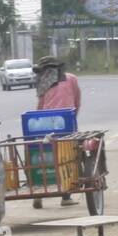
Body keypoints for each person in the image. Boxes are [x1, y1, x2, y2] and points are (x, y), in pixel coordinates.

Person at [32, 56, 82, 207]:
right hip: (66, 124)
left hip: (45, 126)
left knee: (44, 159)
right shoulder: (72, 79)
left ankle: (39, 193)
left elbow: (39, 108)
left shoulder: (43, 83)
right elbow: (77, 101)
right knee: (67, 158)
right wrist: (72, 119)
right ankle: (66, 197)